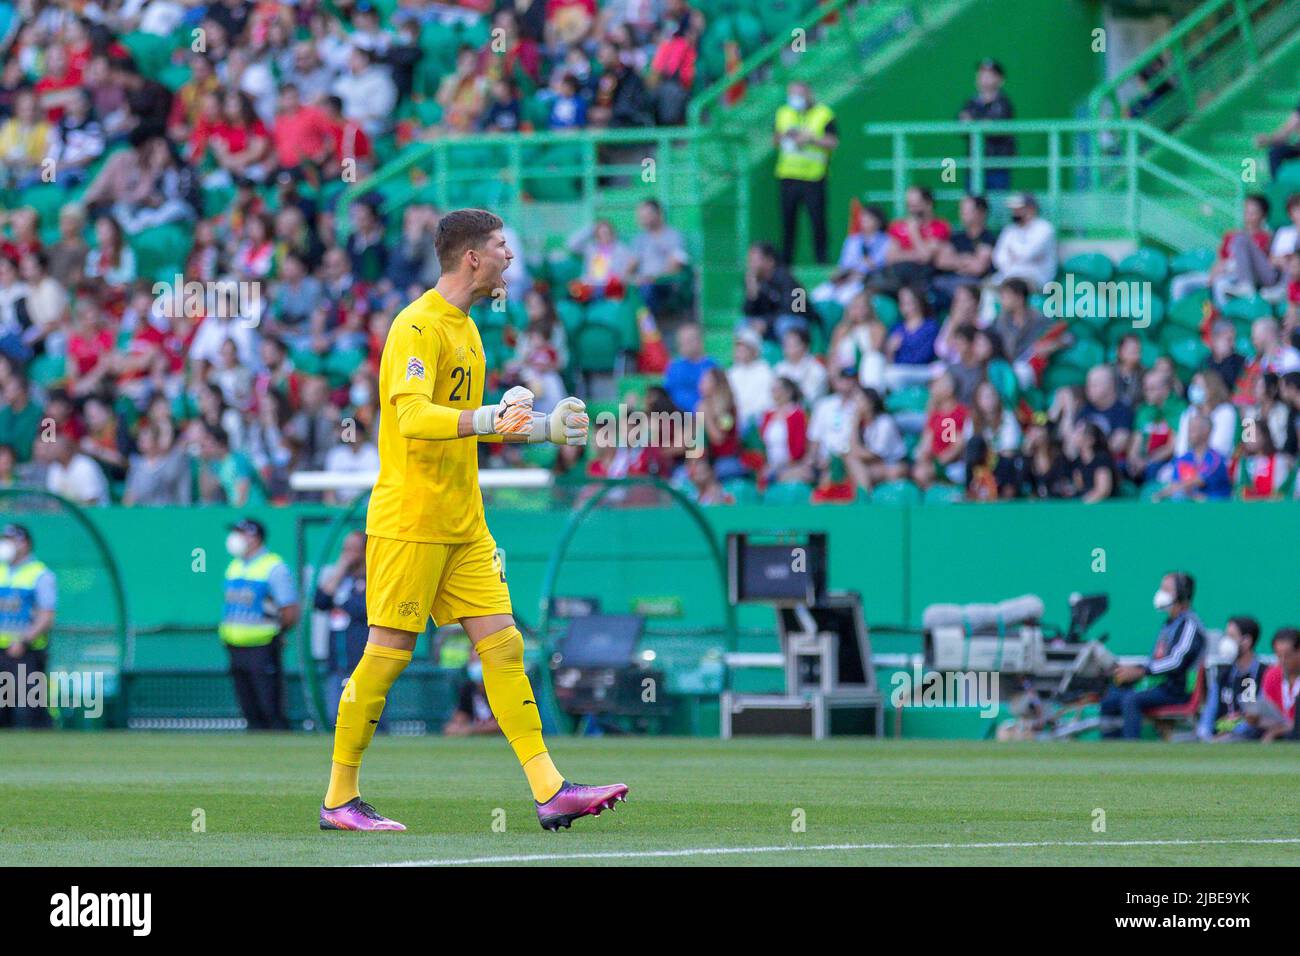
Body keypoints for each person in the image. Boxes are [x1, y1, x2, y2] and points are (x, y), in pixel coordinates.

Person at [320, 208, 627, 833]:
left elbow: (463, 428)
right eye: (501, 246)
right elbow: (411, 417)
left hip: (464, 522)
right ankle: (339, 799)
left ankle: (550, 790)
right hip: (411, 518)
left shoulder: (470, 331)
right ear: (471, 258)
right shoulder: (417, 325)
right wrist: (491, 417)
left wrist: (541, 429)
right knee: (388, 653)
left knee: (505, 644)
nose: (510, 257)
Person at [1100, 572, 1205, 739]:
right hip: (1160, 687)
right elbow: (1156, 660)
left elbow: (1176, 661)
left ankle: (1130, 752)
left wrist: (1141, 671)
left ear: (1181, 594)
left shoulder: (1189, 625)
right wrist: (1130, 674)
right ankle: (1109, 752)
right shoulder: (1169, 624)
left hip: (1179, 691)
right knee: (1110, 699)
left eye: (1166, 589)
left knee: (1131, 700)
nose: (1160, 593)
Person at [218, 518, 299, 731]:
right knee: (248, 705)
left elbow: (289, 609)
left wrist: (277, 634)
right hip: (234, 645)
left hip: (262, 645)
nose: (234, 538)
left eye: (240, 533)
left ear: (254, 537)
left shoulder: (273, 567)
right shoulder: (234, 566)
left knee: (269, 704)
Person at [773, 81, 838, 264]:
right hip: (788, 175)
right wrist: (786, 137)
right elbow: (775, 138)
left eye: (799, 94)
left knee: (818, 223)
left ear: (809, 93)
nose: (795, 99)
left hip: (813, 177)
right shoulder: (783, 113)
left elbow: (833, 141)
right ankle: (786, 263)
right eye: (792, 94)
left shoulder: (824, 114)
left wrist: (811, 140)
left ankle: (821, 261)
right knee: (788, 223)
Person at [0, 524, 57, 729]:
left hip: (26, 652)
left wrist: (24, 640)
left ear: (26, 544)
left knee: (33, 709)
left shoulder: (40, 574)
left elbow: (46, 616)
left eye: (12, 539)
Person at [314, 530, 371, 726]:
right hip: (337, 660)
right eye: (345, 549)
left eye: (353, 549)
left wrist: (340, 602)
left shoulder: (372, 578)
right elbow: (320, 601)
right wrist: (340, 570)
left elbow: (362, 609)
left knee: (365, 716)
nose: (347, 554)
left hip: (362, 659)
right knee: (335, 715)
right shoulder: (341, 579)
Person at [1199, 616, 1267, 741]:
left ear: (1247, 641)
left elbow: (1260, 717)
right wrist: (1205, 735)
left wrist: (1231, 733)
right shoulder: (1222, 674)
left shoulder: (1264, 674)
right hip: (1218, 736)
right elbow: (1209, 712)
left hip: (1247, 737)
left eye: (1231, 637)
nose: (1226, 642)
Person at [957, 59, 1015, 192]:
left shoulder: (1004, 103)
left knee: (997, 206)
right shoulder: (971, 102)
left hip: (998, 165)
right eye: (981, 74)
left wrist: (975, 123)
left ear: (1000, 79)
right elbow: (961, 124)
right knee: (972, 203)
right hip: (974, 165)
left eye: (989, 75)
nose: (984, 78)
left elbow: (995, 128)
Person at [442, 648, 500, 737]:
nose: (476, 665)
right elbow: (459, 718)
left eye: (479, 660)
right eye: (473, 661)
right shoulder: (468, 688)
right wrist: (455, 727)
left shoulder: (500, 687)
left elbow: (504, 725)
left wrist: (472, 729)